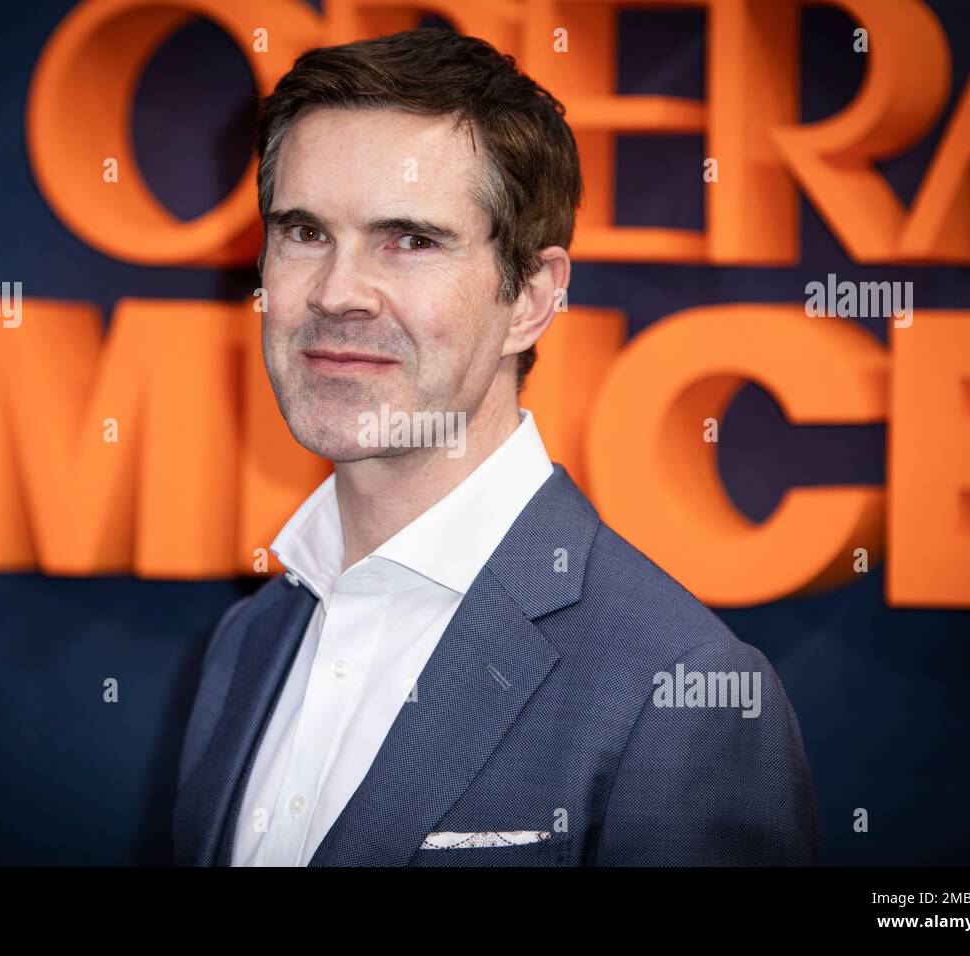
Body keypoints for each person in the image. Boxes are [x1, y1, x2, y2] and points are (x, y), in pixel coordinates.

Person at [173, 28, 821, 867]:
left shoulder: (679, 691)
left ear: (532, 298)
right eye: (304, 232)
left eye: (410, 240)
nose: (337, 293)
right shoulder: (248, 642)